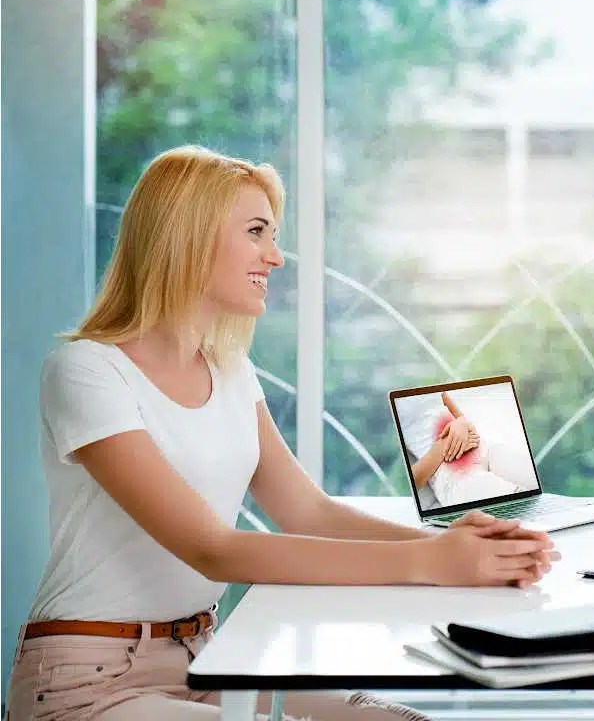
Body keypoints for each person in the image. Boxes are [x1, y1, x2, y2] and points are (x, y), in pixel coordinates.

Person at [6, 146, 559, 721]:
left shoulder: (229, 371)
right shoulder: (87, 371)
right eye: (256, 233)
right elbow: (212, 550)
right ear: (188, 235)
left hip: (207, 660)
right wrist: (433, 563)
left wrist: (451, 547)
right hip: (88, 682)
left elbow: (307, 513)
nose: (274, 257)